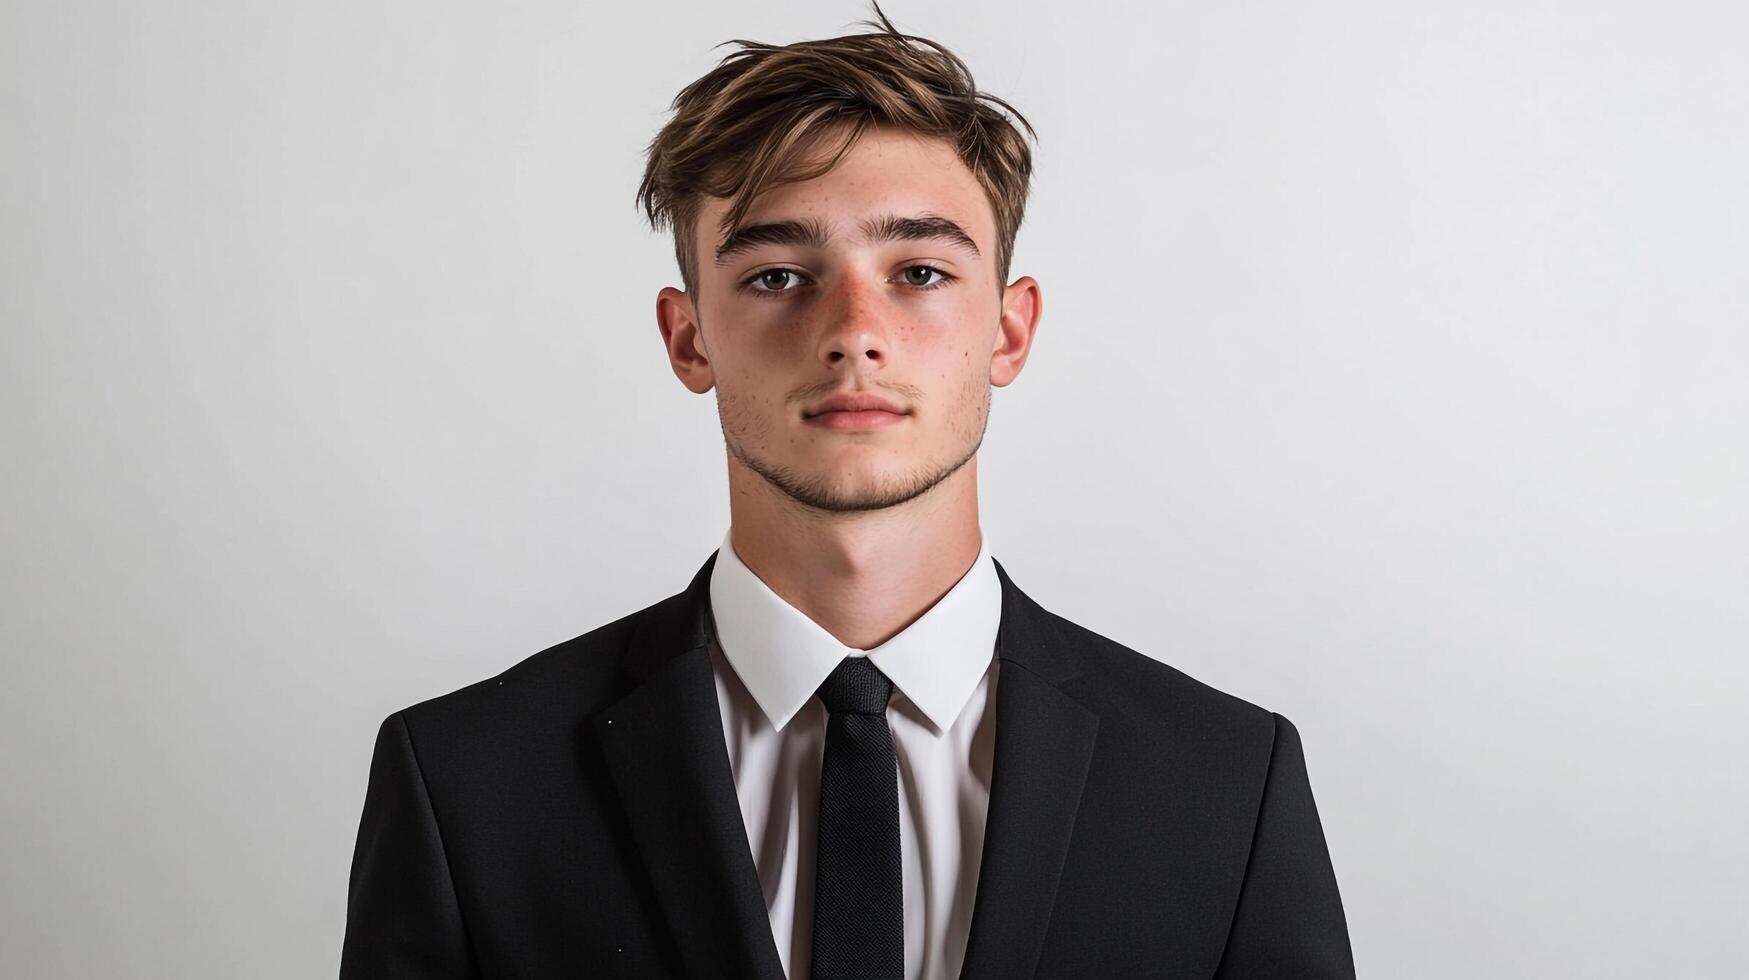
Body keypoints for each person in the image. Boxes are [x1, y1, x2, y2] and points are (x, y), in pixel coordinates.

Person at [339, 6, 1356, 979]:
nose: (853, 330)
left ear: (1008, 331)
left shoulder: (1226, 783)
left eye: (918, 271)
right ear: (689, 337)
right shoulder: (467, 780)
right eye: (779, 274)